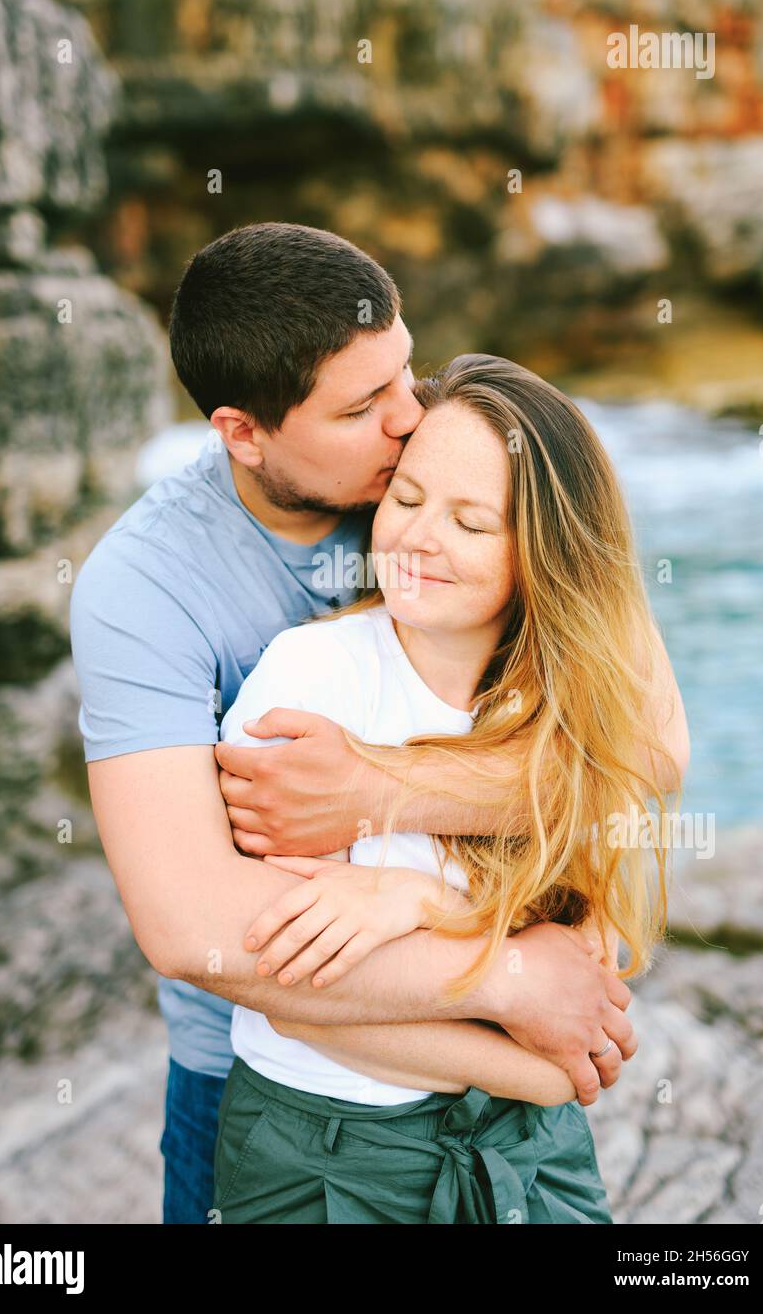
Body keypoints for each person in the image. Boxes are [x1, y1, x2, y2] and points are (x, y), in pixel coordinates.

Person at [69, 224, 665, 1225]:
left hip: (504, 1073)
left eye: (405, 369)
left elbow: (642, 751)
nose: (407, 420)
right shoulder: (144, 588)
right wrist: (512, 980)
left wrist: (388, 801)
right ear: (242, 433)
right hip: (280, 1087)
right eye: (361, 407)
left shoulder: (455, 460)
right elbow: (195, 929)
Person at [209, 353, 689, 1224]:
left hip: (529, 1150)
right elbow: (286, 996)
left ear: (542, 553)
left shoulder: (565, 719)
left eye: (471, 522)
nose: (420, 538)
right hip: (329, 1152)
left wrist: (412, 903)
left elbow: (586, 983)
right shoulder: (312, 683)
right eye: (407, 499)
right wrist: (516, 1013)